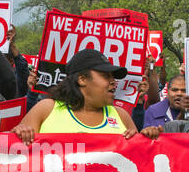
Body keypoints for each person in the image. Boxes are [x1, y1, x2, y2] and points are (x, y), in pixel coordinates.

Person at [12, 49, 140, 141]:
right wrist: (17, 134)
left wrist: (149, 139)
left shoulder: (121, 116)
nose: (113, 82)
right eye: (106, 76)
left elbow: (142, 164)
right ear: (82, 79)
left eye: (113, 77)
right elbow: (13, 154)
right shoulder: (46, 109)